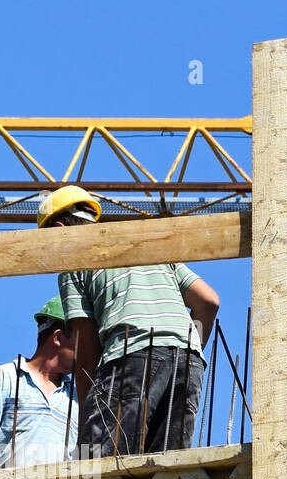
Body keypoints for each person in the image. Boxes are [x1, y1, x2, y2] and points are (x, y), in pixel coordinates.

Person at [40, 185, 219, 456]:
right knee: (167, 470)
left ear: (60, 228)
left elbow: (85, 348)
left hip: (133, 356)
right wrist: (186, 347)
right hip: (189, 362)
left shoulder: (74, 257)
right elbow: (208, 302)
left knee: (103, 464)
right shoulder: (142, 243)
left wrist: (90, 414)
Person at [0, 297, 77, 471]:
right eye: (82, 343)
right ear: (58, 337)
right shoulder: (4, 377)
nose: (88, 352)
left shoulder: (77, 398)